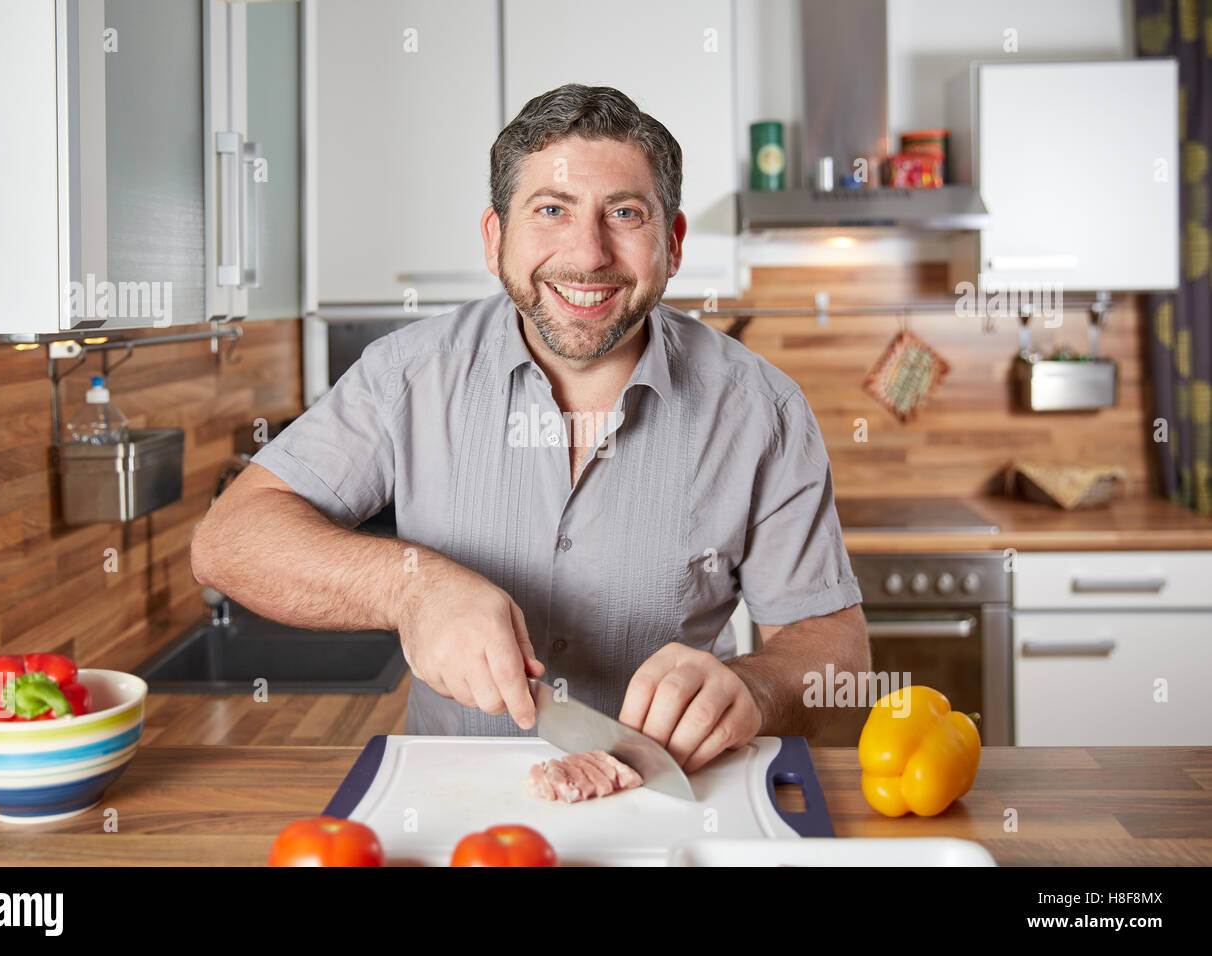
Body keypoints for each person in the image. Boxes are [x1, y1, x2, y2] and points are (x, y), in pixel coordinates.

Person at [190, 84, 869, 773]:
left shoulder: (763, 411)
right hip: (459, 822)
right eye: (552, 209)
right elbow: (228, 541)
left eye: (625, 213)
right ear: (496, 238)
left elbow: (836, 657)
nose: (589, 253)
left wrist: (755, 688)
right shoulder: (408, 374)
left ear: (673, 241)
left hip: (671, 811)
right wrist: (410, 587)